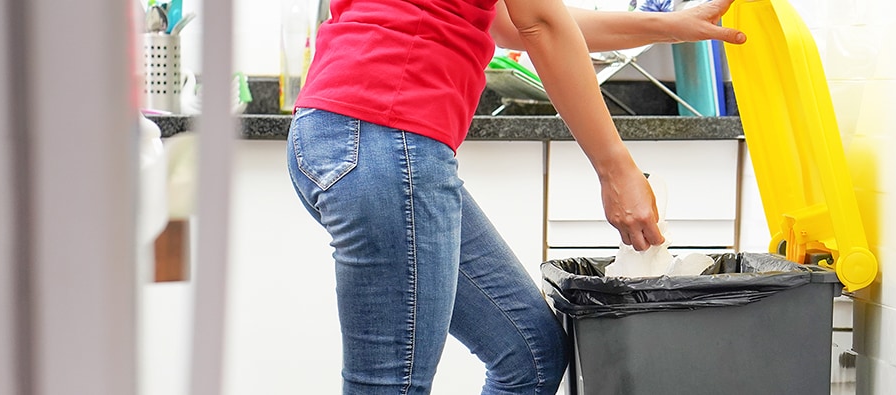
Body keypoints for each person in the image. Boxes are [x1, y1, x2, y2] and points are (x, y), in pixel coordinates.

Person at [285, 0, 745, 393]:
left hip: (349, 133)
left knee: (530, 355)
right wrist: (616, 169)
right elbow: (538, 22)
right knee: (390, 385)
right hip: (387, 134)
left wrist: (670, 26)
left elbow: (509, 22)